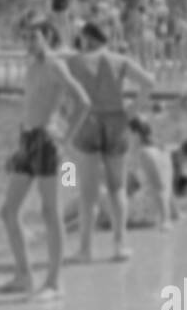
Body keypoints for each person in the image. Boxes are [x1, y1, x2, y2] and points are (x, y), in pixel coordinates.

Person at [0, 18, 91, 302]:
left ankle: (54, 281)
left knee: (51, 212)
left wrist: (66, 137)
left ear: (47, 37)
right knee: (8, 210)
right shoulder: (32, 66)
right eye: (25, 38)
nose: (29, 43)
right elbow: (30, 107)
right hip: (27, 141)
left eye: (34, 37)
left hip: (47, 142)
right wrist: (18, 147)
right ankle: (24, 275)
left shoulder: (54, 64)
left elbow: (83, 101)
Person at [65, 21, 155, 261]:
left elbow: (64, 94)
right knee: (117, 188)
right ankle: (120, 245)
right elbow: (149, 83)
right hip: (116, 120)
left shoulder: (75, 62)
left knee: (87, 192)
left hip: (88, 120)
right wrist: (131, 111)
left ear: (87, 38)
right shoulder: (119, 60)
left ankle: (85, 250)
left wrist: (66, 118)